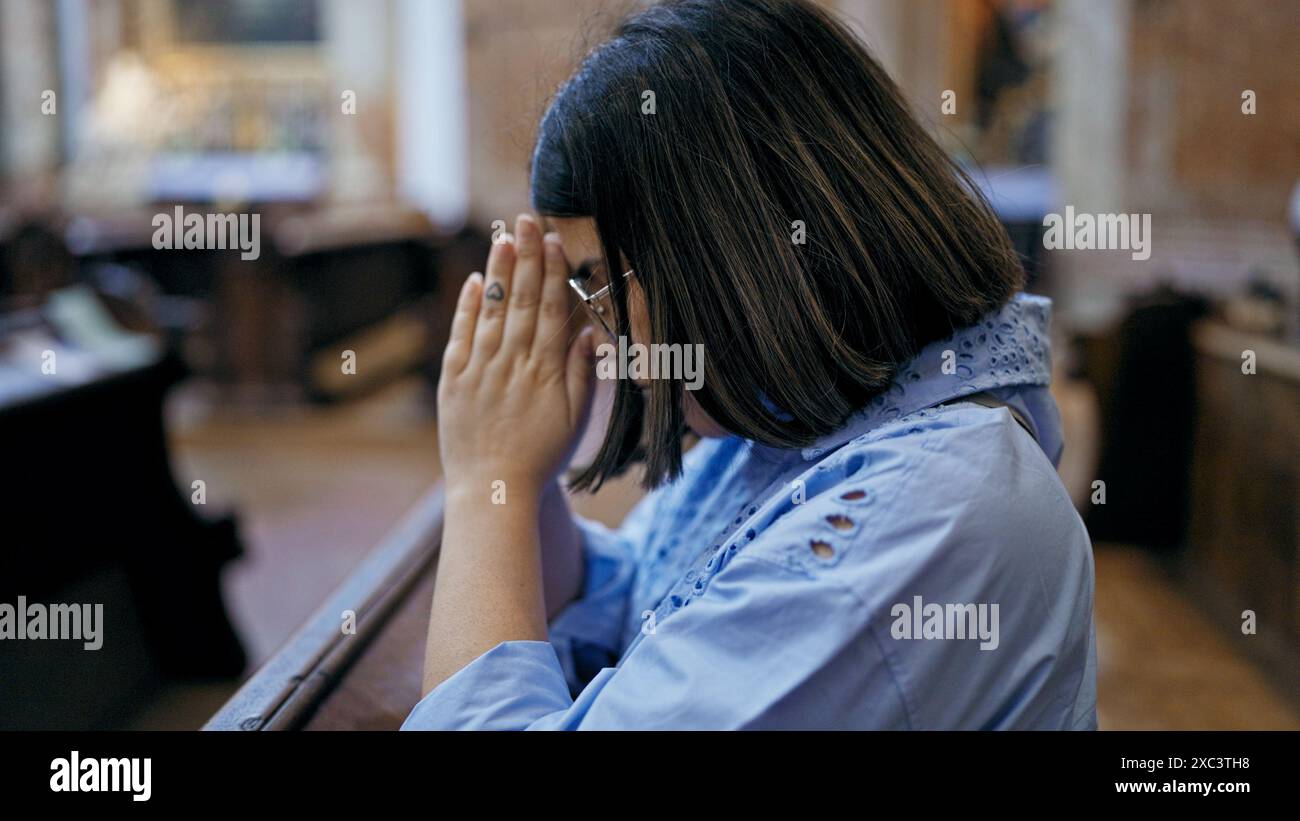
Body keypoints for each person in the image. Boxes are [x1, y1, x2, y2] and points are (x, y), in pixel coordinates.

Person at [403, 0, 1097, 730]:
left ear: (727, 257)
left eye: (599, 286)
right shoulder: (795, 421)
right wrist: (528, 486)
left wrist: (487, 484)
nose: (603, 339)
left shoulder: (925, 517)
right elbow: (636, 597)